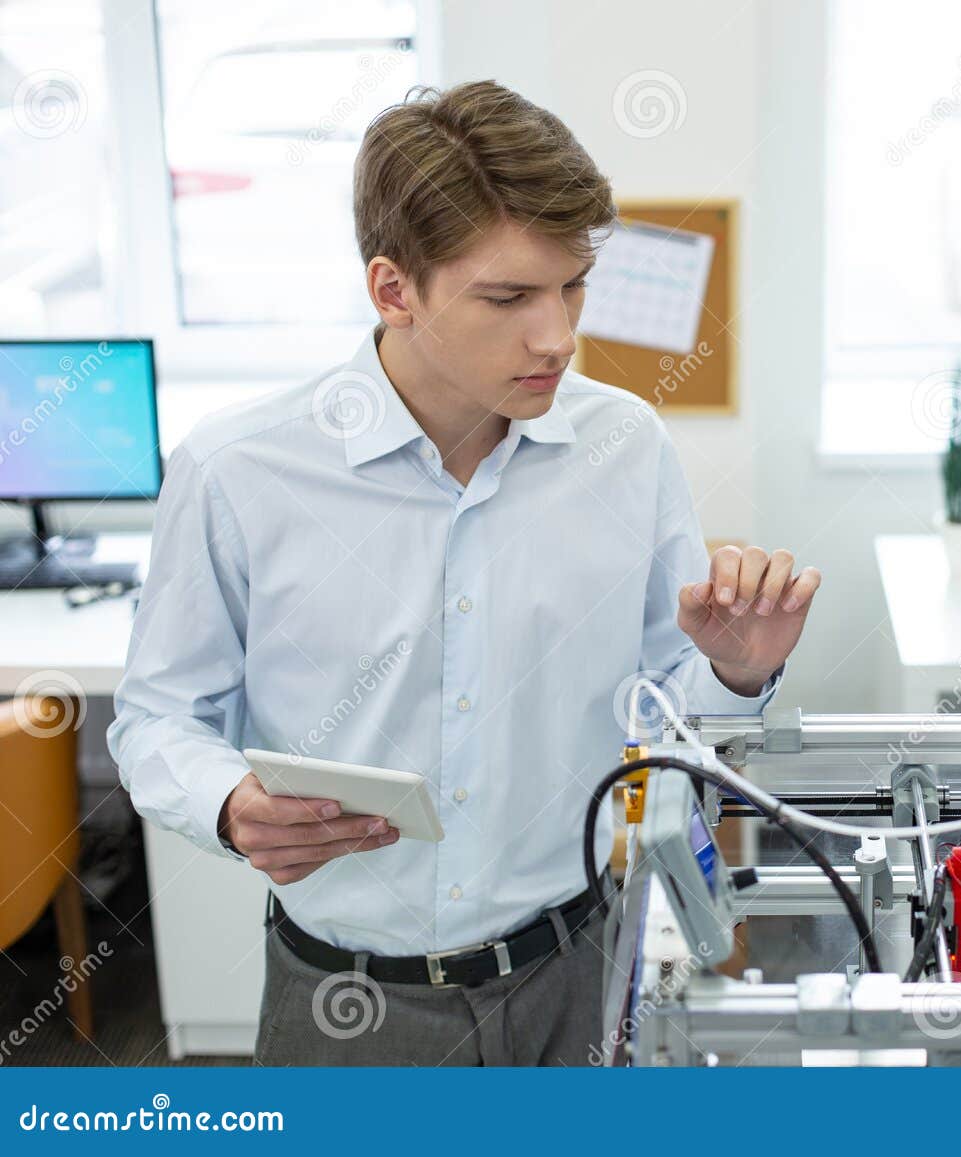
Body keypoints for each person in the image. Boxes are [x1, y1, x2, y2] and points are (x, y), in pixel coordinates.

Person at [107, 80, 820, 1066]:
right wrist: (229, 803)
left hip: (577, 974)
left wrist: (737, 670)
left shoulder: (625, 445)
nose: (559, 335)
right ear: (394, 288)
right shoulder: (238, 470)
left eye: (572, 286)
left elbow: (670, 719)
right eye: (510, 297)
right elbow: (155, 718)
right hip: (346, 1008)